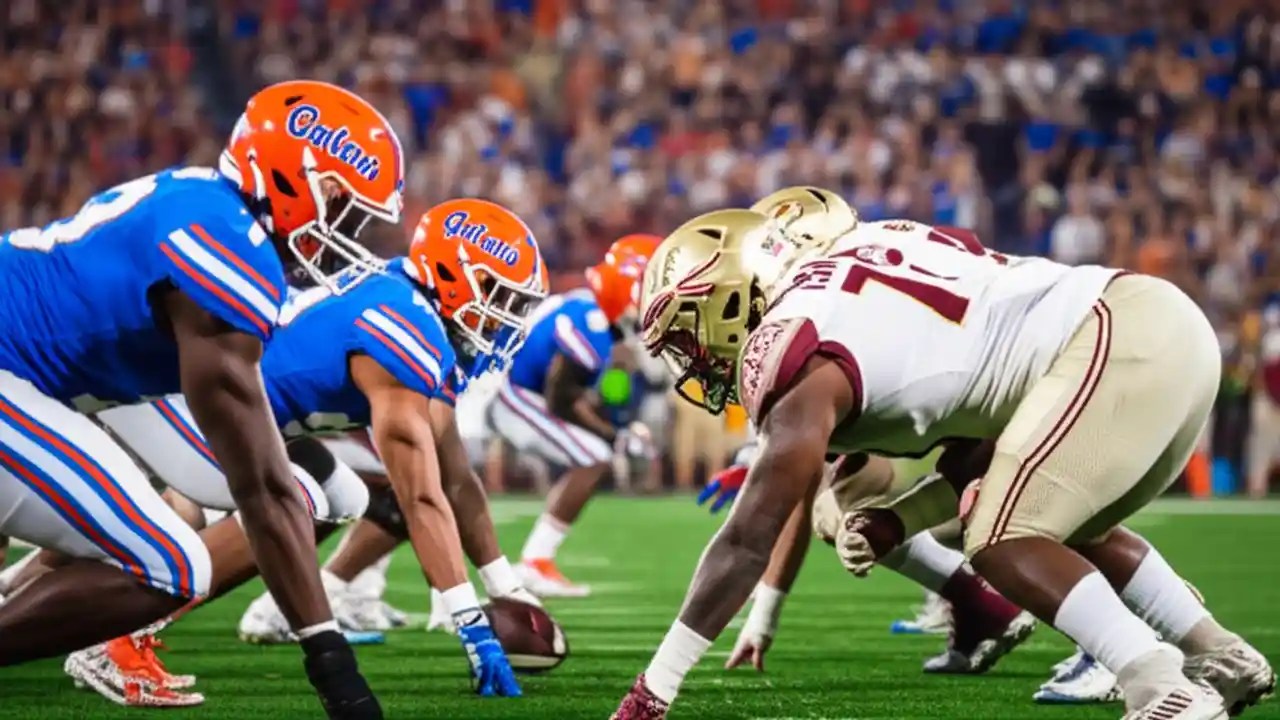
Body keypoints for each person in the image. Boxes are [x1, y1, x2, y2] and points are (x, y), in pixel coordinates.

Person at [612, 203, 1272, 720]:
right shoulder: (872, 263)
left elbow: (747, 539)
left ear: (735, 296)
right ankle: (1220, 654)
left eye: (691, 329)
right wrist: (899, 519)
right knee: (1051, 516)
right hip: (1156, 331)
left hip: (1115, 341)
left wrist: (655, 688)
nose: (692, 358)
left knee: (1003, 535)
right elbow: (981, 456)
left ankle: (1156, 681)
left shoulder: (792, 339)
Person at [0, 80, 402, 718]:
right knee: (171, 566)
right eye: (341, 204)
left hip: (59, 370)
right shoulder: (223, 248)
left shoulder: (207, 205)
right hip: (14, 367)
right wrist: (332, 666)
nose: (347, 231)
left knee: (298, 497)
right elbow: (261, 489)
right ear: (293, 178)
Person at [72, 199, 548, 703]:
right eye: (499, 297)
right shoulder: (407, 329)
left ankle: (70, 608)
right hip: (190, 396)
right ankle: (118, 633)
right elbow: (423, 497)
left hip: (220, 406)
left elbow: (455, 479)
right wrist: (471, 624)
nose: (504, 321)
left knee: (336, 494)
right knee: (284, 502)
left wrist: (504, 588)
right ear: (456, 276)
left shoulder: (412, 308)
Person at [490, 234, 660, 597]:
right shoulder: (593, 327)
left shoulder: (593, 313)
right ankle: (535, 563)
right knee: (595, 456)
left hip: (515, 388)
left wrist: (618, 426)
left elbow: (587, 396)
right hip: (509, 393)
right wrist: (615, 437)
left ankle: (535, 562)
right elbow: (561, 401)